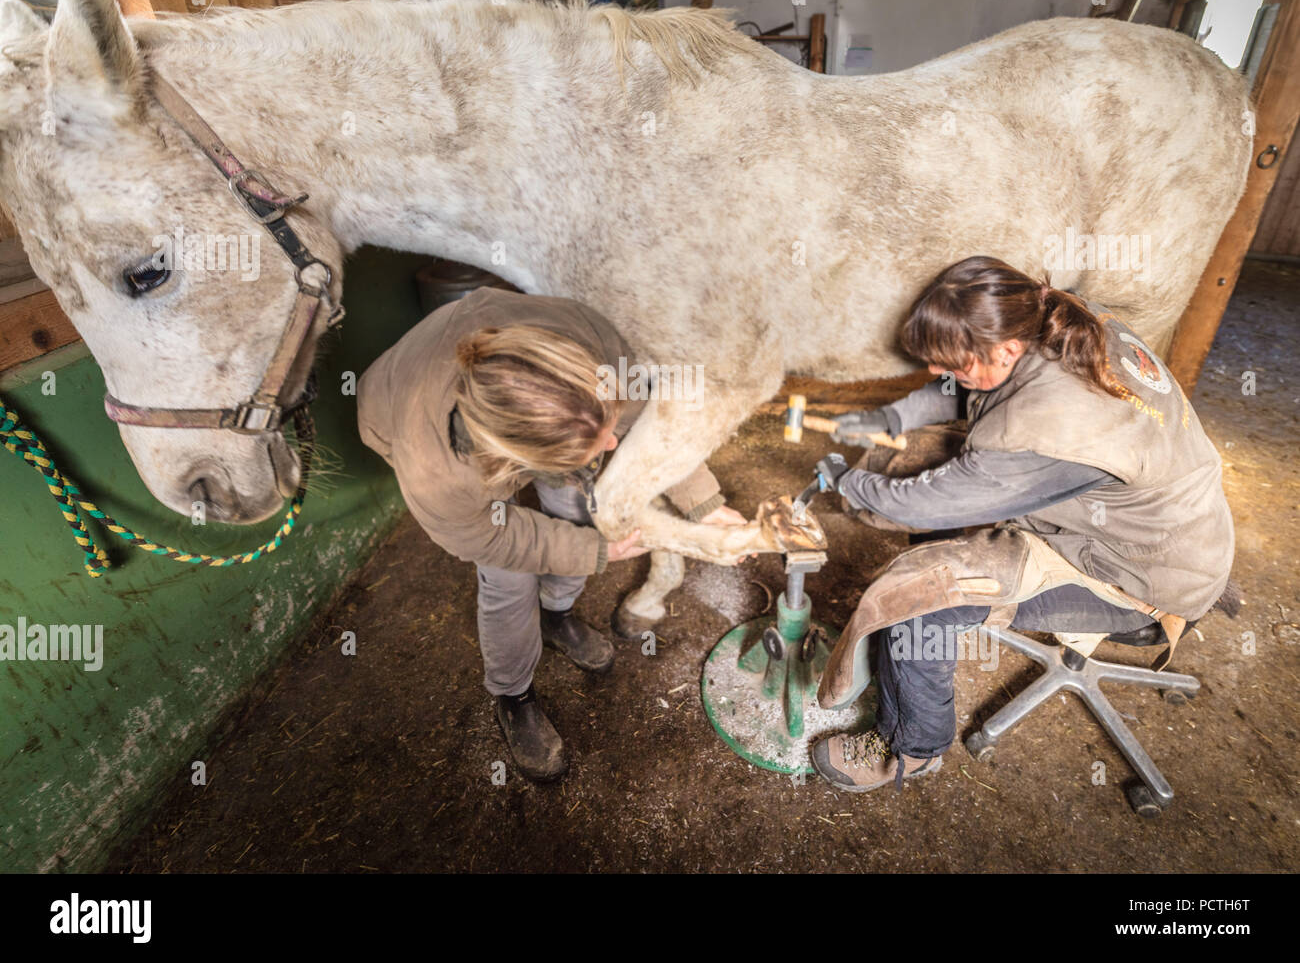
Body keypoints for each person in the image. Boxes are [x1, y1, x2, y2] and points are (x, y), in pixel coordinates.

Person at [806, 256, 1233, 793]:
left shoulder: (1053, 423)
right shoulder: (1051, 317)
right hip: (1153, 526)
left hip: (1136, 575)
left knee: (916, 603)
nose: (941, 373)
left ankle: (912, 749)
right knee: (918, 466)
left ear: (1004, 349)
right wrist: (892, 419)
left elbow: (925, 505)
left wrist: (847, 482)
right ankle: (905, 670)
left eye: (952, 362)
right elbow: (963, 387)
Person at [356, 287, 745, 783]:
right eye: (598, 442)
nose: (611, 445)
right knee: (509, 577)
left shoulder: (589, 338)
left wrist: (704, 502)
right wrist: (594, 551)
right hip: (408, 419)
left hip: (538, 408)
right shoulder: (440, 472)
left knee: (580, 504)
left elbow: (640, 419)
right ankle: (513, 693)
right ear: (517, 460)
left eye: (606, 426)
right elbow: (489, 538)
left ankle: (556, 615)